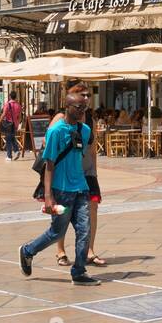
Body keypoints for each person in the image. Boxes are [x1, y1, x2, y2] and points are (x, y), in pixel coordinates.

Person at [18, 92, 99, 286]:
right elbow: (50, 164)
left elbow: (86, 154)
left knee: (84, 231)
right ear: (67, 107)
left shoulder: (85, 130)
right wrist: (48, 196)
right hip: (61, 189)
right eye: (78, 107)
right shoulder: (56, 131)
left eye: (84, 108)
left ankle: (79, 271)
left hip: (81, 187)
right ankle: (27, 251)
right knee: (56, 232)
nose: (81, 111)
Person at [49, 90, 106, 268]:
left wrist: (94, 173)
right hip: (65, 175)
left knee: (92, 210)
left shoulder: (89, 121)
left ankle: (89, 250)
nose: (86, 97)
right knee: (63, 212)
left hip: (86, 172)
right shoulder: (60, 119)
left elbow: (92, 149)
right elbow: (49, 149)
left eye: (88, 94)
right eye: (82, 94)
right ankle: (60, 250)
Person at [0, 89, 22, 161]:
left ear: (10, 96)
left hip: (8, 124)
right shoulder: (18, 105)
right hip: (15, 124)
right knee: (12, 137)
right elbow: (19, 116)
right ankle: (16, 150)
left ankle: (9, 156)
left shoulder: (7, 104)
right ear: (15, 97)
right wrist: (17, 124)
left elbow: (4, 114)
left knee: (8, 139)